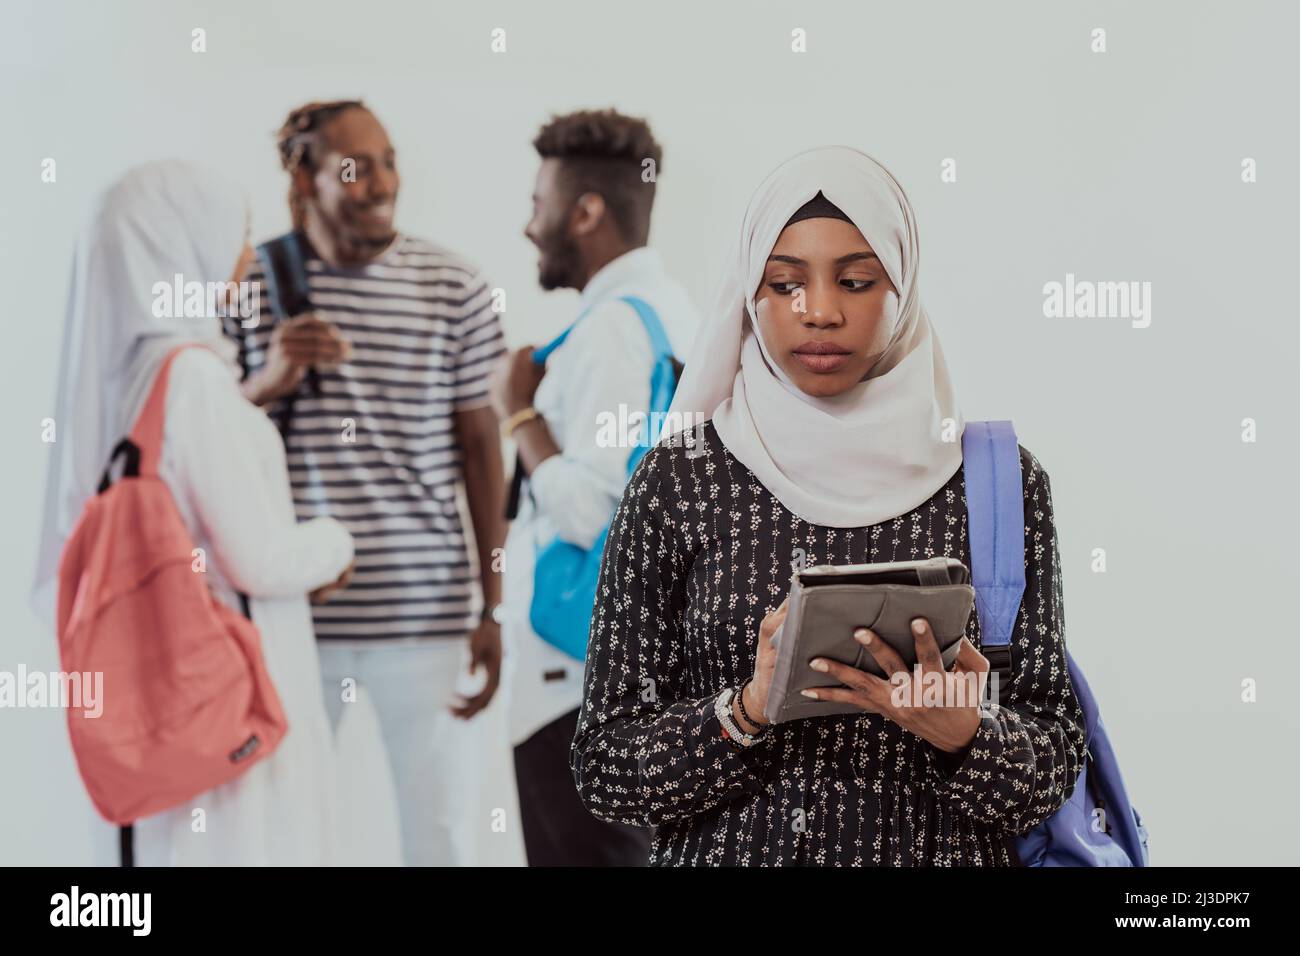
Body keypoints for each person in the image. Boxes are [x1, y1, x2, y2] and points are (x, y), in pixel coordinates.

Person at [569, 146, 1088, 866]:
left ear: (900, 285)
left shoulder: (996, 483)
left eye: (855, 280)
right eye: (785, 284)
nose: (819, 312)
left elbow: (1055, 756)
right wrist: (747, 709)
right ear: (751, 292)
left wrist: (965, 735)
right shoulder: (681, 479)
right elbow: (606, 770)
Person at [33, 160, 364, 865]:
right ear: (179, 245)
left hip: (160, 700)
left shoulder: (118, 381)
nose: (247, 258)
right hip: (225, 696)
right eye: (236, 235)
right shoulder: (195, 380)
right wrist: (336, 541)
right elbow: (261, 559)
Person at [224, 100, 508, 866]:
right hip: (290, 618)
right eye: (354, 167)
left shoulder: (456, 285)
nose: (380, 182)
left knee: (440, 833)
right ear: (303, 176)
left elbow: (482, 449)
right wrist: (271, 379)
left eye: (387, 160)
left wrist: (494, 604)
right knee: (284, 837)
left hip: (426, 615)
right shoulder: (251, 288)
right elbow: (206, 442)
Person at [496, 109, 702, 865]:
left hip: (574, 680)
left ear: (584, 211)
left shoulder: (613, 329)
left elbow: (593, 507)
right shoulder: (674, 315)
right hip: (640, 668)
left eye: (536, 204)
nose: (528, 226)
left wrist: (517, 409)